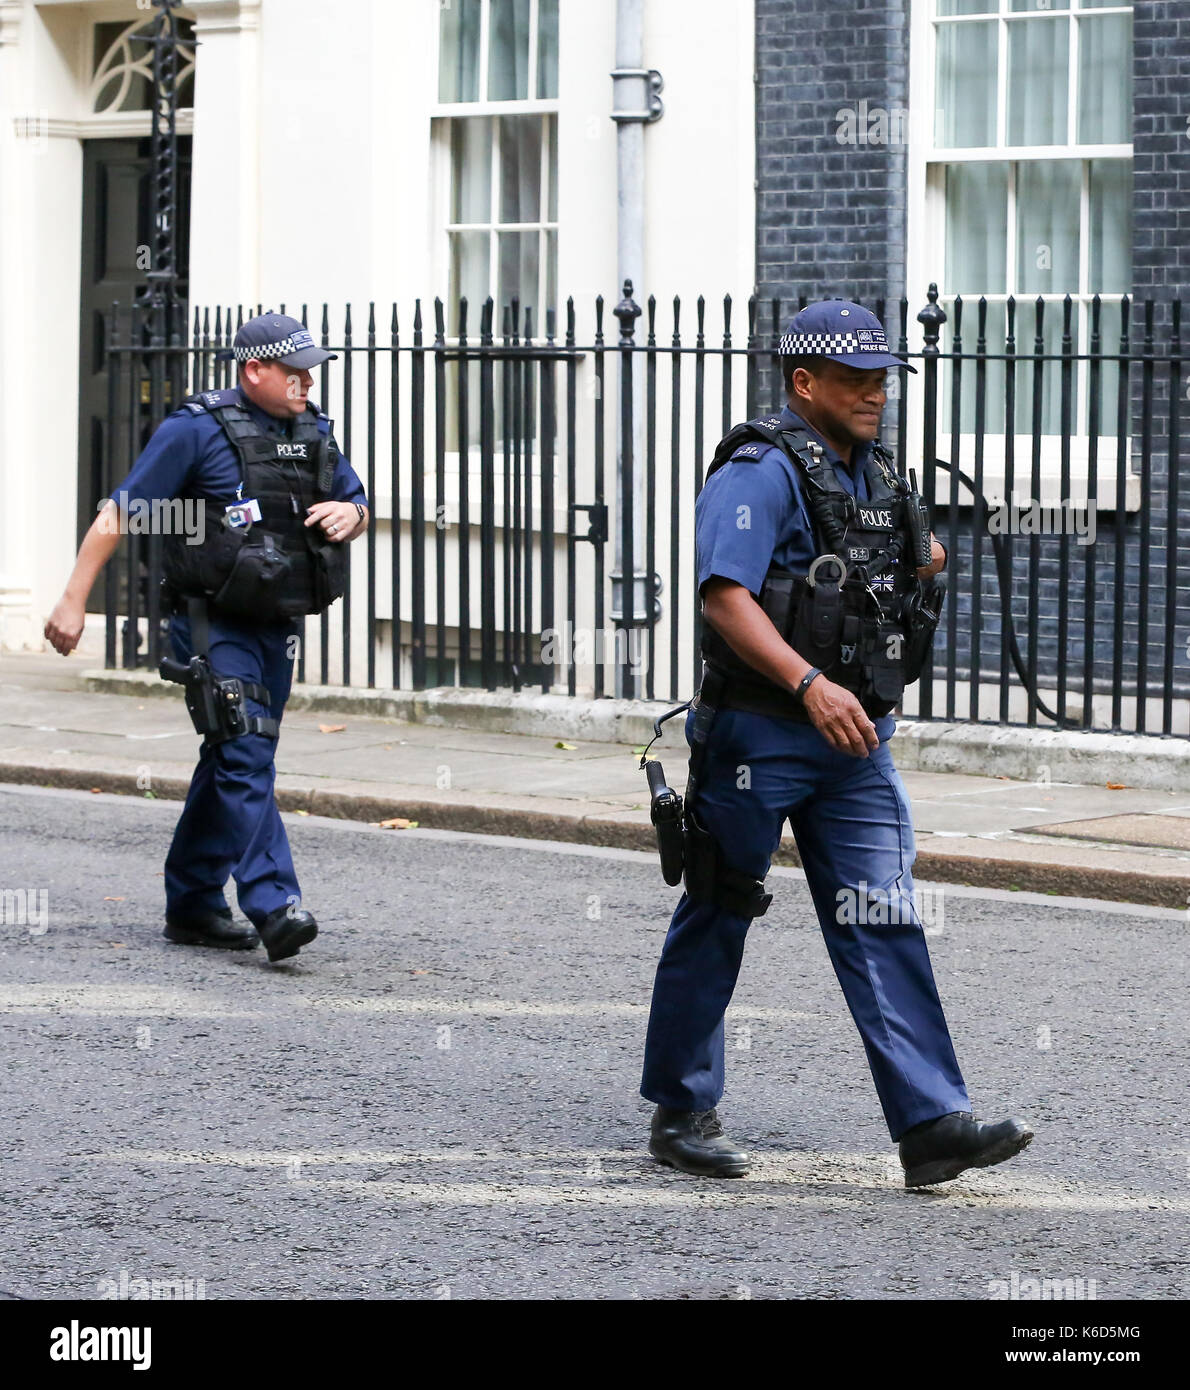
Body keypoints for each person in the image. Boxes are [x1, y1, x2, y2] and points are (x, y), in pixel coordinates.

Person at [640, 299, 1033, 1187]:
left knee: (882, 911)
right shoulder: (760, 469)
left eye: (881, 379)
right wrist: (807, 684)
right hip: (763, 731)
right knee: (721, 900)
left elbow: (891, 570)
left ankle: (931, 1125)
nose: (874, 394)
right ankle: (680, 1105)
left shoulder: (876, 472)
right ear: (803, 382)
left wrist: (919, 564)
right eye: (854, 379)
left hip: (855, 740)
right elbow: (724, 596)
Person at [45, 313, 369, 964]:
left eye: (311, 370)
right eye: (295, 370)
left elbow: (356, 501)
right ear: (255, 370)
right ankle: (275, 905)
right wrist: (73, 599)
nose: (308, 380)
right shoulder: (195, 430)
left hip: (275, 625)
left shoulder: (314, 431)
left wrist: (352, 514)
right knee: (242, 745)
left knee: (234, 756)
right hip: (208, 622)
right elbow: (121, 512)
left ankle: (193, 900)